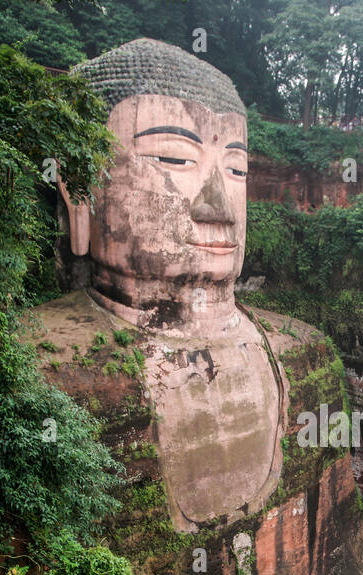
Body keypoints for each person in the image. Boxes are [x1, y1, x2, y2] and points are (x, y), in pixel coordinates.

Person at [43, 38, 285, 532]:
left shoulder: (301, 353)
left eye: (236, 169)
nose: (217, 205)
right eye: (174, 158)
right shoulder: (44, 376)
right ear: (80, 194)